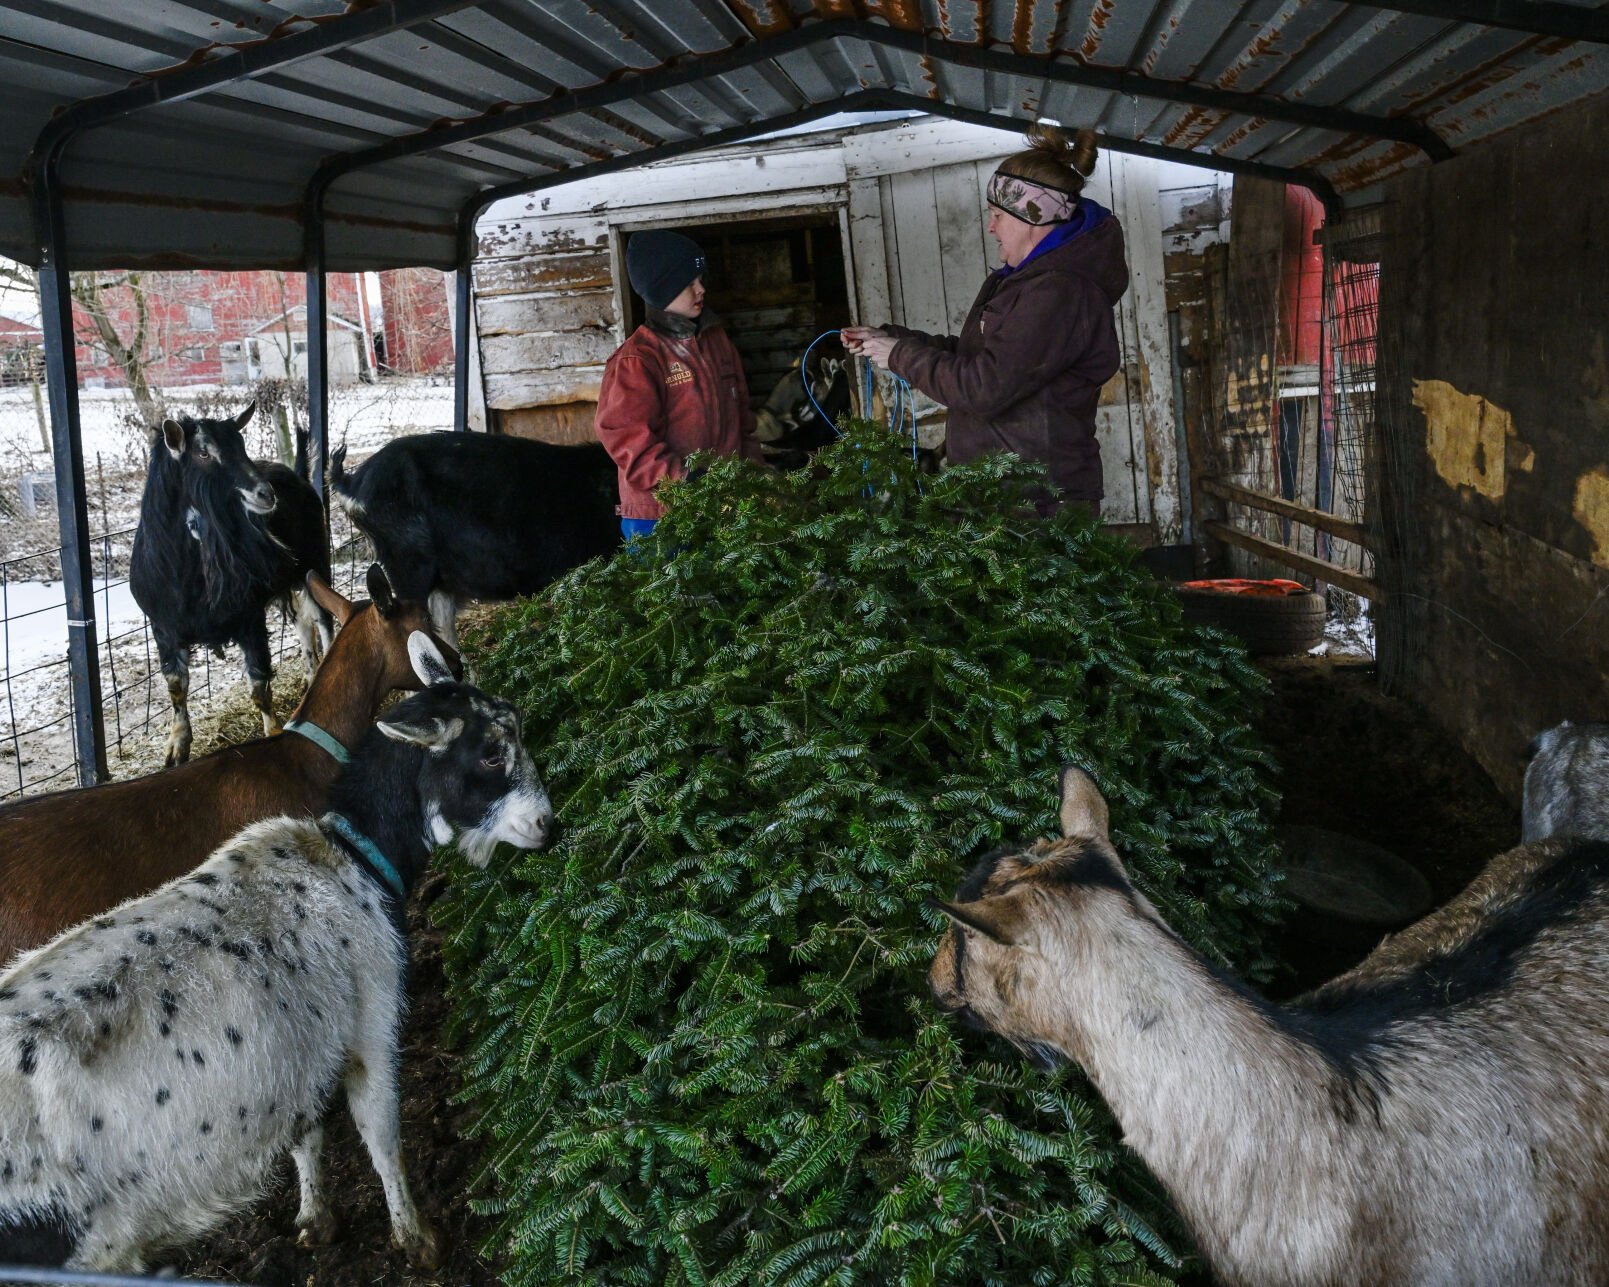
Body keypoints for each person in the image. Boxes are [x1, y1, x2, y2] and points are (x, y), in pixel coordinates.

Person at [842, 125, 1128, 519]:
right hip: (1001, 495)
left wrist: (899, 355)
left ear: (1030, 217)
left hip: (1036, 504)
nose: (991, 227)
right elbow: (974, 356)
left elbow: (985, 386)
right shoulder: (1021, 281)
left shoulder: (1059, 292)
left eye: (997, 215)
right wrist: (891, 339)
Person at [595, 229, 765, 541]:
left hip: (726, 507)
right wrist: (686, 479)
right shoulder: (637, 360)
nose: (701, 289)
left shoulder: (717, 341)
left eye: (700, 279)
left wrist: (755, 478)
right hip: (661, 518)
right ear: (663, 288)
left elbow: (743, 421)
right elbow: (628, 442)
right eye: (688, 283)